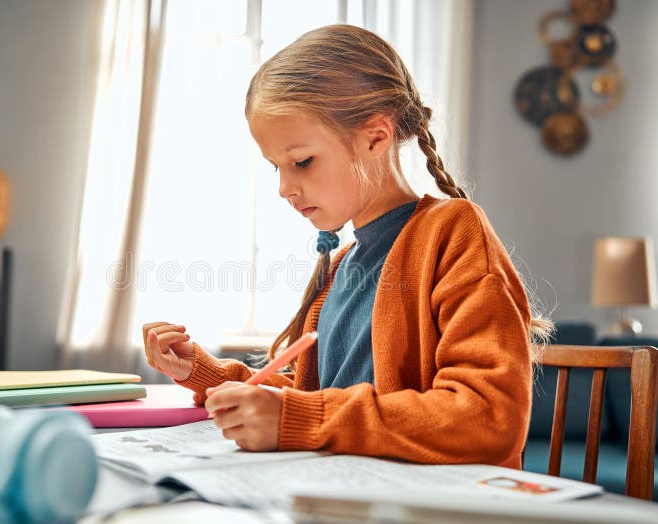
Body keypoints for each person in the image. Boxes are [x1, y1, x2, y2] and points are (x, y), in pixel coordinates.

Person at [142, 24, 553, 469]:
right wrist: (204, 374)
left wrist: (300, 417)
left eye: (301, 161)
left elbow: (488, 418)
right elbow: (310, 401)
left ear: (376, 137)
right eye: (276, 167)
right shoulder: (342, 265)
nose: (284, 188)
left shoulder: (452, 232)